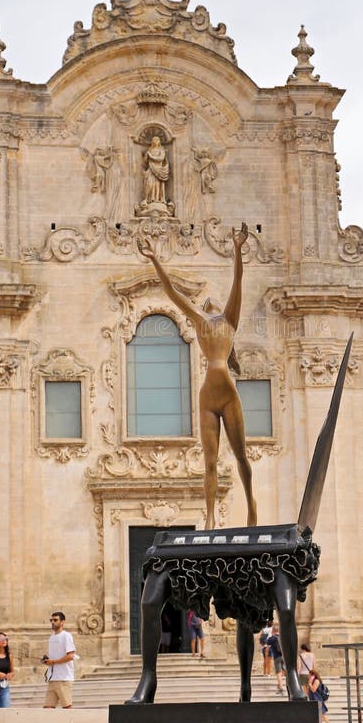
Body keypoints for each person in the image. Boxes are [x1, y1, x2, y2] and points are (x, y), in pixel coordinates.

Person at [138, 223, 257, 529]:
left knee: (242, 457)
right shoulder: (199, 320)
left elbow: (238, 280)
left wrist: (239, 249)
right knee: (210, 461)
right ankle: (211, 517)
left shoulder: (229, 321)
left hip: (227, 390)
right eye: (203, 304)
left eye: (209, 303)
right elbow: (171, 292)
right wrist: (154, 260)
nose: (206, 304)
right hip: (208, 394)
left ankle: (252, 505)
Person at [43, 611, 76, 709]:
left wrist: (53, 662)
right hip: (52, 678)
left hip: (64, 678)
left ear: (62, 622)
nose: (53, 622)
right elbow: (54, 658)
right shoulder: (51, 637)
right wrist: (48, 661)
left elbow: (70, 656)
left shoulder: (66, 636)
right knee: (47, 708)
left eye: (55, 620)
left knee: (67, 707)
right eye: (51, 620)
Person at [143, 136, 169, 204]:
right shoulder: (149, 150)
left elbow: (161, 158)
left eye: (157, 140)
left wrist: (151, 156)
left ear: (159, 141)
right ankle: (149, 199)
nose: (155, 141)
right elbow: (144, 163)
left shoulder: (161, 150)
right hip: (150, 170)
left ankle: (157, 199)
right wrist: (146, 156)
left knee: (157, 185)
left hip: (159, 170)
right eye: (154, 140)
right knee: (149, 184)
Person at [266, 625, 285, 694]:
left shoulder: (271, 639)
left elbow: (267, 648)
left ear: (273, 631)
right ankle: (285, 685)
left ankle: (281, 688)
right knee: (285, 671)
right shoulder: (283, 637)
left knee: (278, 673)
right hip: (284, 657)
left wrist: (267, 656)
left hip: (276, 657)